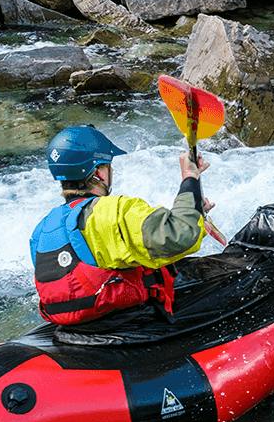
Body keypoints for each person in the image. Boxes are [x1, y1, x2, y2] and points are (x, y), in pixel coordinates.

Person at [30, 125, 212, 325]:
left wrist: (196, 211)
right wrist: (190, 179)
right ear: (99, 173)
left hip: (77, 329)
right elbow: (181, 235)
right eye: (108, 165)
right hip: (131, 326)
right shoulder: (116, 210)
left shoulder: (41, 229)